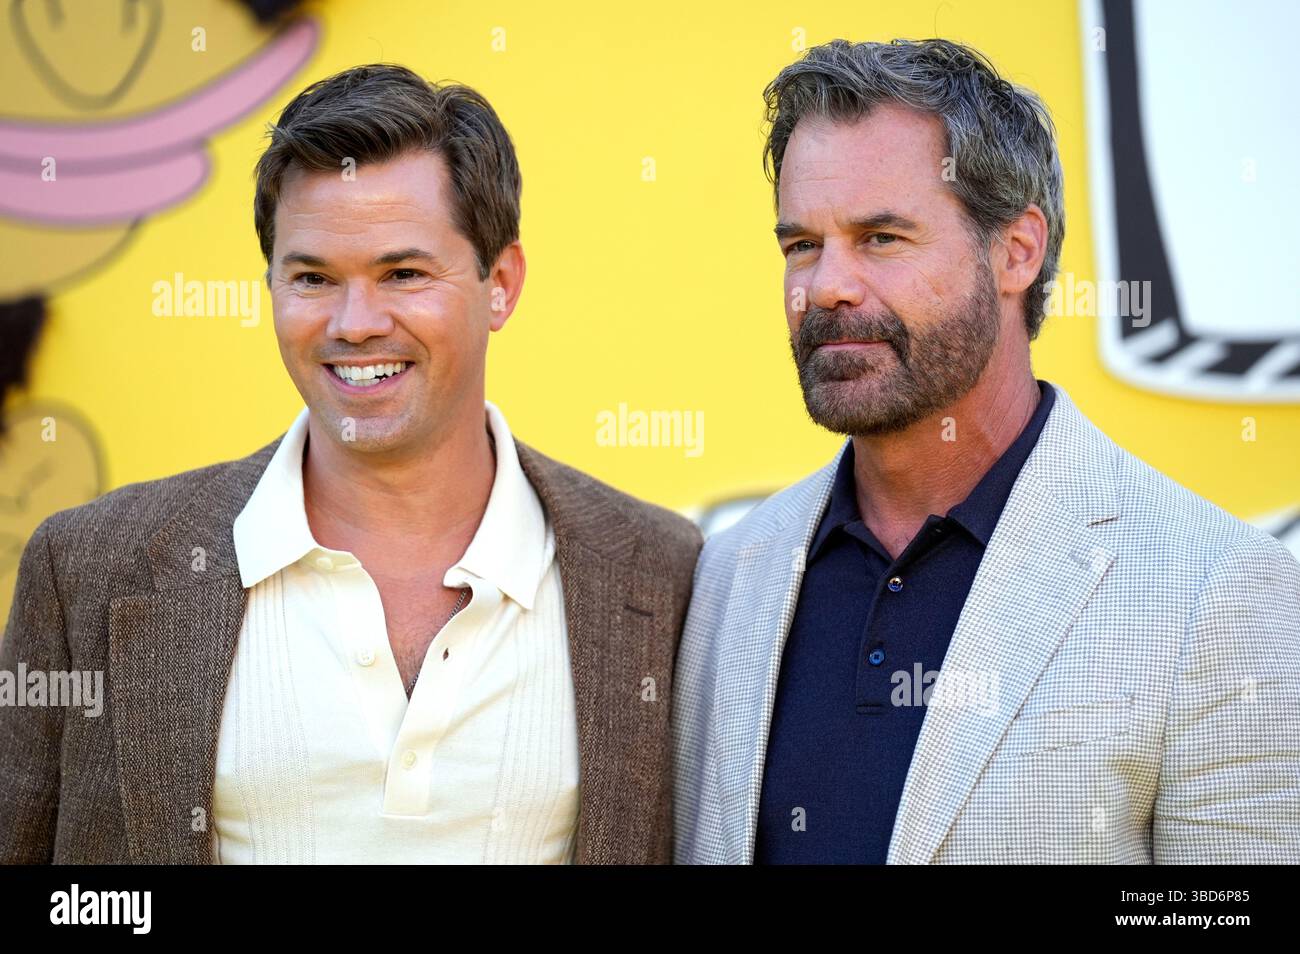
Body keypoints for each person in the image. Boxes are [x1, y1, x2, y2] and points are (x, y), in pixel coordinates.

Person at [0, 64, 701, 864]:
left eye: (402, 273)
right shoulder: (89, 568)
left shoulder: (659, 575)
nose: (356, 323)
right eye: (313, 278)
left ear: (500, 284)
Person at [673, 38, 1300, 864]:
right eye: (801, 245)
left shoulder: (1216, 593)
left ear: (1017, 251)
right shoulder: (728, 578)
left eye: (882, 238)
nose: (825, 285)